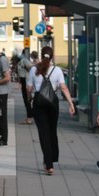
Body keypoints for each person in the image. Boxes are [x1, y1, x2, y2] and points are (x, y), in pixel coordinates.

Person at [26, 46, 75, 175]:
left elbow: (29, 89)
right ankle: (52, 158)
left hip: (39, 103)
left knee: (44, 133)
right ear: (52, 56)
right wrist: (71, 104)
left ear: (41, 56)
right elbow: (63, 88)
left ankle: (49, 165)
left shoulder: (34, 70)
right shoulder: (57, 70)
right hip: (53, 102)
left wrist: (29, 98)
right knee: (52, 131)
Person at [15, 47, 34, 123]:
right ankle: (30, 116)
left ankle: (29, 117)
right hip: (24, 81)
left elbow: (30, 67)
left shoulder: (23, 61)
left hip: (26, 81)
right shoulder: (21, 61)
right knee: (26, 100)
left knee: (27, 100)